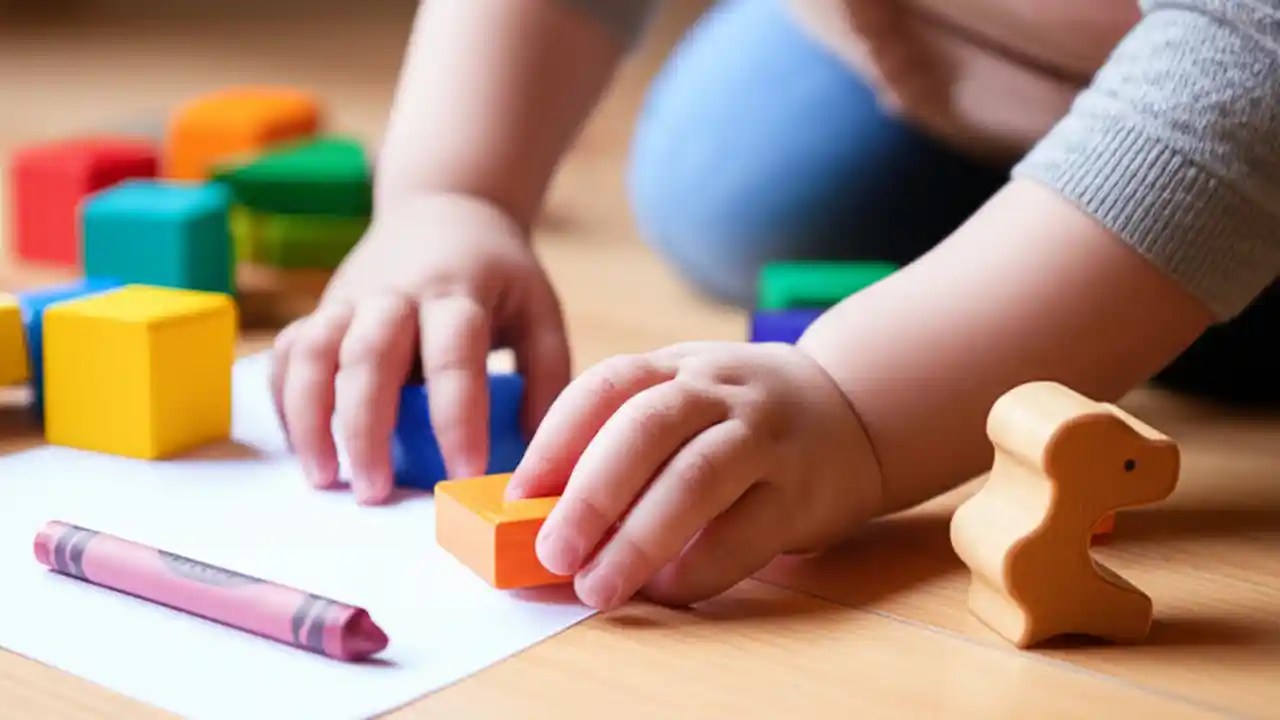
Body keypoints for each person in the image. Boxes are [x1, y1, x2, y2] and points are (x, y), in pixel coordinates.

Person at [270, 0, 1279, 611]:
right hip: (942, 37)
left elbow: (1250, 60)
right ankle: (1054, 232)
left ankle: (1132, 260)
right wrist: (451, 191)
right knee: (728, 190)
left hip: (1240, 67)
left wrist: (854, 409)